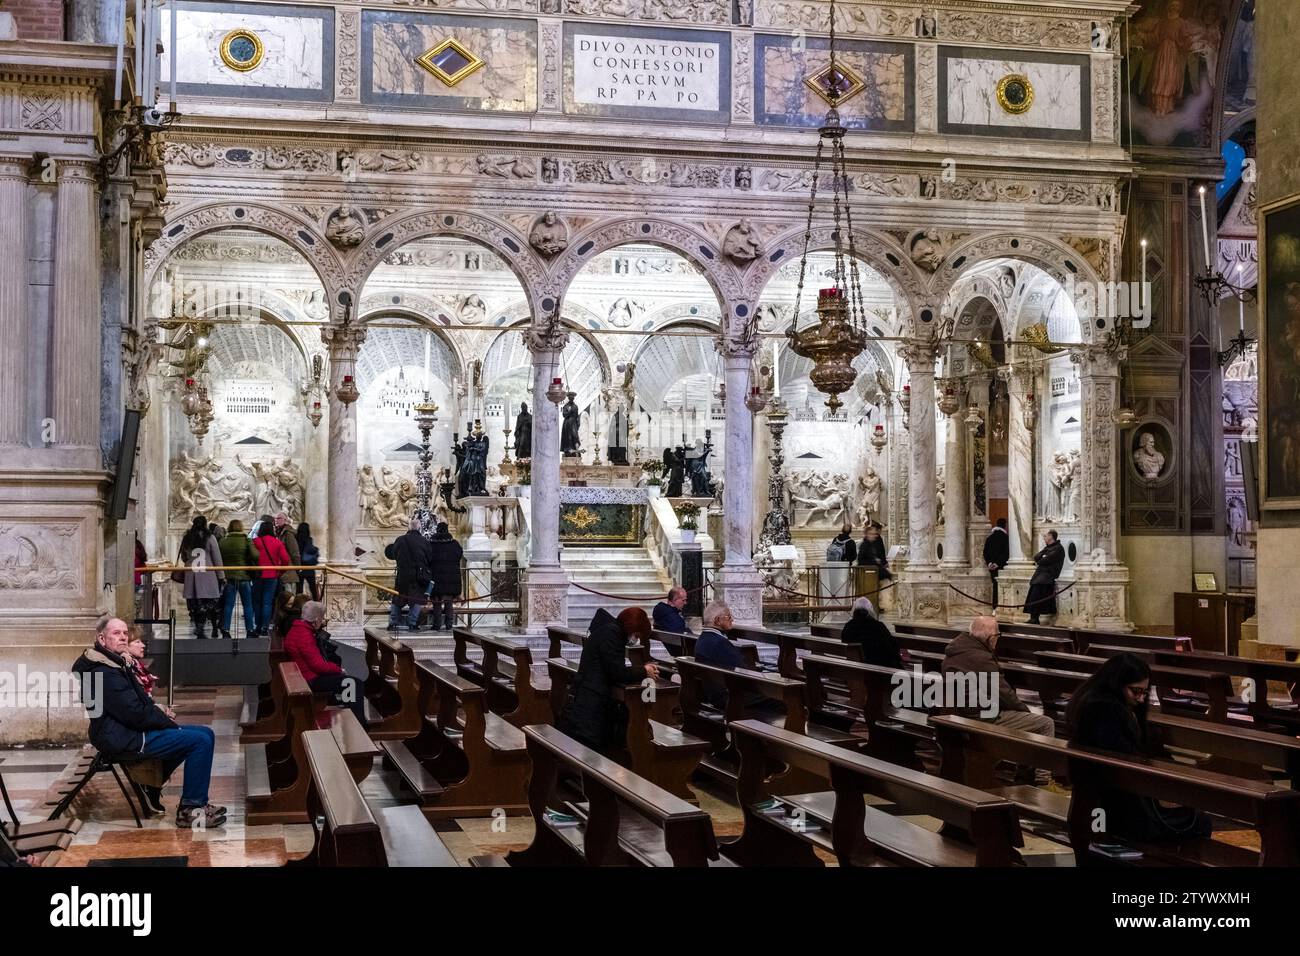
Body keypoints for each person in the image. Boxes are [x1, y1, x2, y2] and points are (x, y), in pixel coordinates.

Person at [71, 617, 225, 828]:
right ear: (101, 638)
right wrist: (166, 722)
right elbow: (134, 714)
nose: (123, 637)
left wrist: (160, 716)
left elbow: (137, 705)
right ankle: (190, 809)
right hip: (123, 737)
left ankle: (153, 785)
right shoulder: (104, 672)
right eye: (116, 633)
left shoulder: (114, 663)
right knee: (199, 741)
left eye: (125, 633)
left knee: (206, 734)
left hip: (125, 731)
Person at [1066, 652, 1210, 842]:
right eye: (1136, 691)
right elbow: (1125, 757)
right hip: (1117, 805)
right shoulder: (1104, 709)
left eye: (1144, 691)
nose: (1141, 698)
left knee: (1193, 816)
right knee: (1200, 823)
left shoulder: (1091, 699)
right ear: (1117, 684)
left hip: (1102, 797)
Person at [942, 615, 1055, 784]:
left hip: (962, 713)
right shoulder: (981, 659)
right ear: (990, 638)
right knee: (1044, 723)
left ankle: (1025, 775)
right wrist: (1024, 711)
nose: (997, 641)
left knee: (1025, 721)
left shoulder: (956, 651)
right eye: (997, 636)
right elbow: (1005, 694)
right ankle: (1043, 781)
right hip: (981, 717)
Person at [557, 607, 659, 755]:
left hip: (589, 697)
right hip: (590, 704)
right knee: (590, 754)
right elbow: (617, 672)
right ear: (631, 627)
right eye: (636, 635)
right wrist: (644, 671)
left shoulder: (608, 630)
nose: (635, 640)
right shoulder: (612, 634)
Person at [284, 601, 366, 726]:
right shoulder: (304, 635)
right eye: (321, 618)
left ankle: (348, 716)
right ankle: (358, 724)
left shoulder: (298, 629)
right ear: (316, 619)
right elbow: (318, 665)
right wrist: (338, 669)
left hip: (304, 675)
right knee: (354, 684)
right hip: (310, 679)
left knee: (346, 681)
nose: (322, 621)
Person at [178, 516, 225, 639]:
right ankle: (212, 627)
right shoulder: (210, 537)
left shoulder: (187, 538)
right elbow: (217, 557)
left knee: (196, 604)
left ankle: (199, 626)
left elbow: (183, 557)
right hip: (208, 575)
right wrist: (221, 576)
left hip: (192, 575)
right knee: (211, 603)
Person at [385, 517, 434, 632]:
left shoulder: (400, 540)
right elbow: (429, 558)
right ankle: (412, 624)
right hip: (418, 575)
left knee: (398, 598)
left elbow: (394, 554)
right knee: (416, 599)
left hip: (403, 574)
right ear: (419, 528)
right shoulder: (424, 541)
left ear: (408, 527)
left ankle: (393, 623)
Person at [218, 518, 256, 639]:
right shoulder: (246, 540)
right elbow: (256, 555)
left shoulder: (223, 541)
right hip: (244, 576)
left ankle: (225, 629)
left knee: (228, 605)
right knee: (248, 605)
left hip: (229, 577)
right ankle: (250, 629)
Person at [840, 597, 904, 668]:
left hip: (855, 668)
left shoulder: (848, 627)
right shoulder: (878, 626)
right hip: (878, 667)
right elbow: (891, 646)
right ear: (870, 610)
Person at [251, 519, 290, 636]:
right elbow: (285, 559)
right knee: (267, 602)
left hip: (257, 575)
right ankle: (264, 627)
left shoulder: (255, 541)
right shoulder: (277, 542)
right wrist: (280, 572)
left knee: (257, 602)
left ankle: (257, 625)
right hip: (272, 575)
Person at [426, 521, 463, 631]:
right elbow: (459, 555)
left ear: (437, 530)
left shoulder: (431, 544)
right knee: (448, 603)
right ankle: (449, 624)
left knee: (436, 602)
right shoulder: (454, 544)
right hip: (450, 579)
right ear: (447, 530)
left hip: (435, 577)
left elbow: (427, 558)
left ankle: (437, 624)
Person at [1024, 530, 1066, 624]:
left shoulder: (1058, 548)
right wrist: (1042, 556)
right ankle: (1033, 617)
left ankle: (1035, 618)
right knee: (1033, 596)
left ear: (1051, 536)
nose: (1044, 538)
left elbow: (1045, 560)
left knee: (1037, 596)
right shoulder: (1048, 548)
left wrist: (1042, 558)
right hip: (1040, 576)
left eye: (1045, 536)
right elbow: (1036, 557)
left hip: (1047, 576)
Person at [983, 518, 1009, 609]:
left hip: (992, 567)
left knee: (995, 586)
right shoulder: (1006, 538)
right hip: (1002, 566)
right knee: (1003, 587)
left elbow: (985, 552)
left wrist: (990, 563)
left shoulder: (989, 538)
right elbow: (1006, 553)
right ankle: (1002, 606)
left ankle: (994, 607)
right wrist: (998, 564)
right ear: (1005, 525)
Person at [273, 512, 301, 593]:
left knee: (289, 596)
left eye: (278, 518)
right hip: (281, 570)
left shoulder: (288, 534)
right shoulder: (278, 533)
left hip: (289, 570)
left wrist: (297, 567)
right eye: (275, 518)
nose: (276, 520)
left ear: (285, 520)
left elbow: (294, 552)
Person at [296, 522, 320, 600]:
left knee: (299, 590)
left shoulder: (296, 539)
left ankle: (298, 606)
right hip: (309, 568)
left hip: (299, 567)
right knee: (313, 589)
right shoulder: (309, 539)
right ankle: (316, 603)